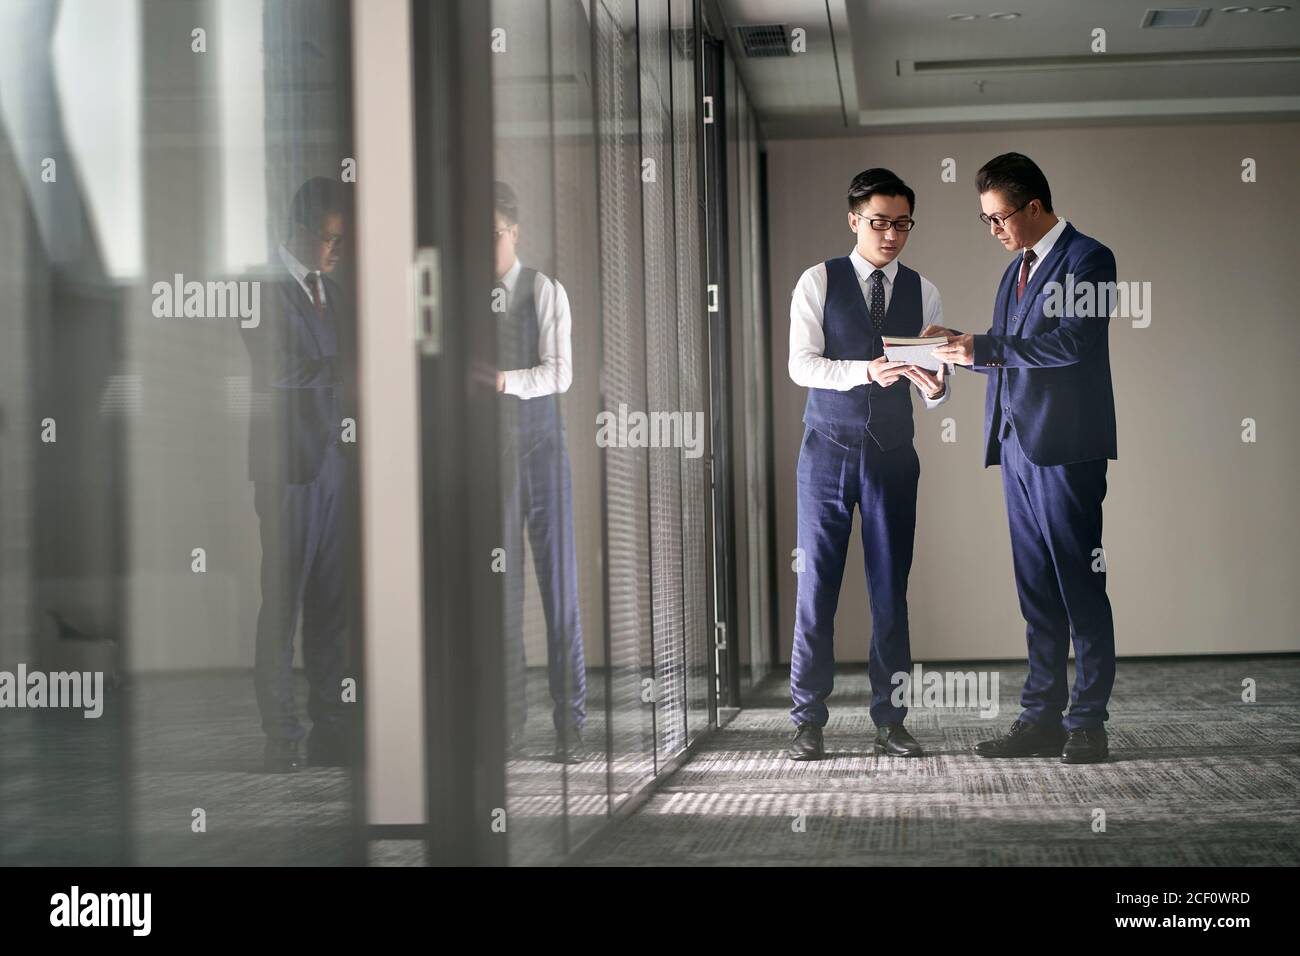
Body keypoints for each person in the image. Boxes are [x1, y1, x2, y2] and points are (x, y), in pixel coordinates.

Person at [929, 152, 1117, 764]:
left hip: (1065, 450)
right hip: (1014, 447)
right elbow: (1013, 353)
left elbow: (1068, 344)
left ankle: (1087, 721)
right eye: (985, 219)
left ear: (1034, 206)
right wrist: (958, 347)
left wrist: (979, 346)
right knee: (1034, 589)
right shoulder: (1015, 272)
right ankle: (1041, 719)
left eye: (999, 217)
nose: (994, 230)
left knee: (1078, 585)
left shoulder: (1089, 258)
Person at [786, 168, 949, 762]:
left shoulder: (923, 290)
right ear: (854, 220)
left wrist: (935, 387)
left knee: (890, 592)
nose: (892, 235)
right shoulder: (817, 281)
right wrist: (864, 370)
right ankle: (807, 719)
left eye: (902, 223)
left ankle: (892, 720)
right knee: (817, 591)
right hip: (826, 450)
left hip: (893, 455)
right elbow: (801, 366)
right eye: (879, 222)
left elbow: (936, 388)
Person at [242, 177, 355, 773]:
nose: (336, 251)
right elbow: (275, 371)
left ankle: (331, 727)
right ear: (302, 232)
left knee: (332, 604)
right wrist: (342, 370)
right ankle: (281, 734)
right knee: (282, 602)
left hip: (334, 465)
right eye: (330, 240)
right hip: (287, 468)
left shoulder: (331, 293)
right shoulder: (259, 288)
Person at [492, 181, 588, 763]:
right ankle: (508, 725)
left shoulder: (544, 290)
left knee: (560, 593)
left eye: (495, 235)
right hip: (493, 456)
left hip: (543, 451)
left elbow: (561, 374)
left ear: (515, 231)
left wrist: (505, 381)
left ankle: (569, 723)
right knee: (501, 595)